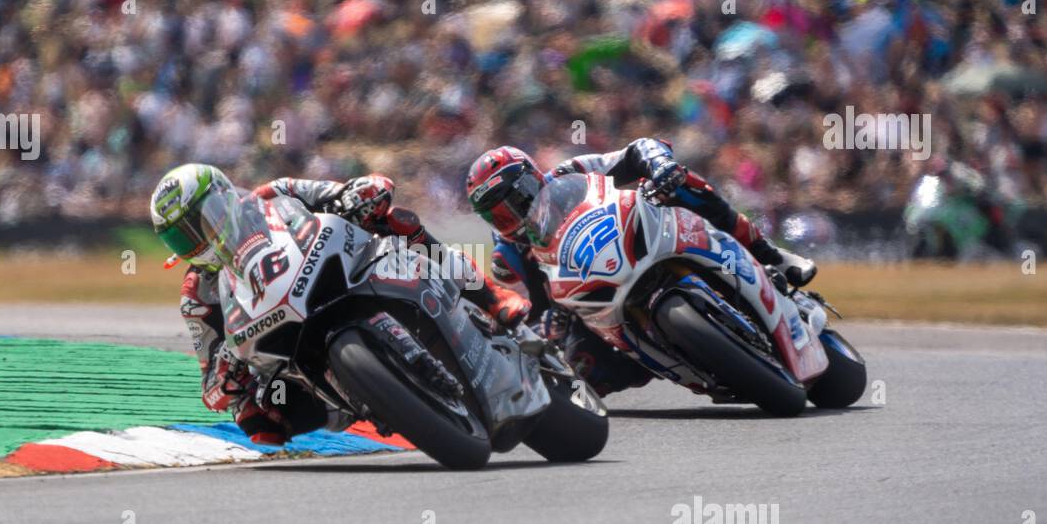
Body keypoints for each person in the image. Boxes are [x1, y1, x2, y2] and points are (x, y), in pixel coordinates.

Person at [151, 163, 530, 446]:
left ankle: (489, 296)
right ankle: (362, 397)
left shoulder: (275, 194)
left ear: (224, 197)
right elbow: (210, 386)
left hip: (336, 266)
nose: (198, 242)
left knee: (397, 220)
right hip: (282, 342)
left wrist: (361, 195)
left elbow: (346, 191)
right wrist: (226, 378)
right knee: (256, 419)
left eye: (200, 224)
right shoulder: (197, 296)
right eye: (182, 240)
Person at [465, 139, 818, 395]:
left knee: (682, 182)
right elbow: (521, 311)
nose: (513, 212)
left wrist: (659, 165)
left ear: (533, 176)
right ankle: (684, 358)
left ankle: (771, 255)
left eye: (518, 195)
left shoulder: (570, 172)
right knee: (585, 372)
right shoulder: (506, 256)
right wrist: (540, 326)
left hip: (629, 239)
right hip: (589, 307)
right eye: (498, 213)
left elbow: (638, 150)